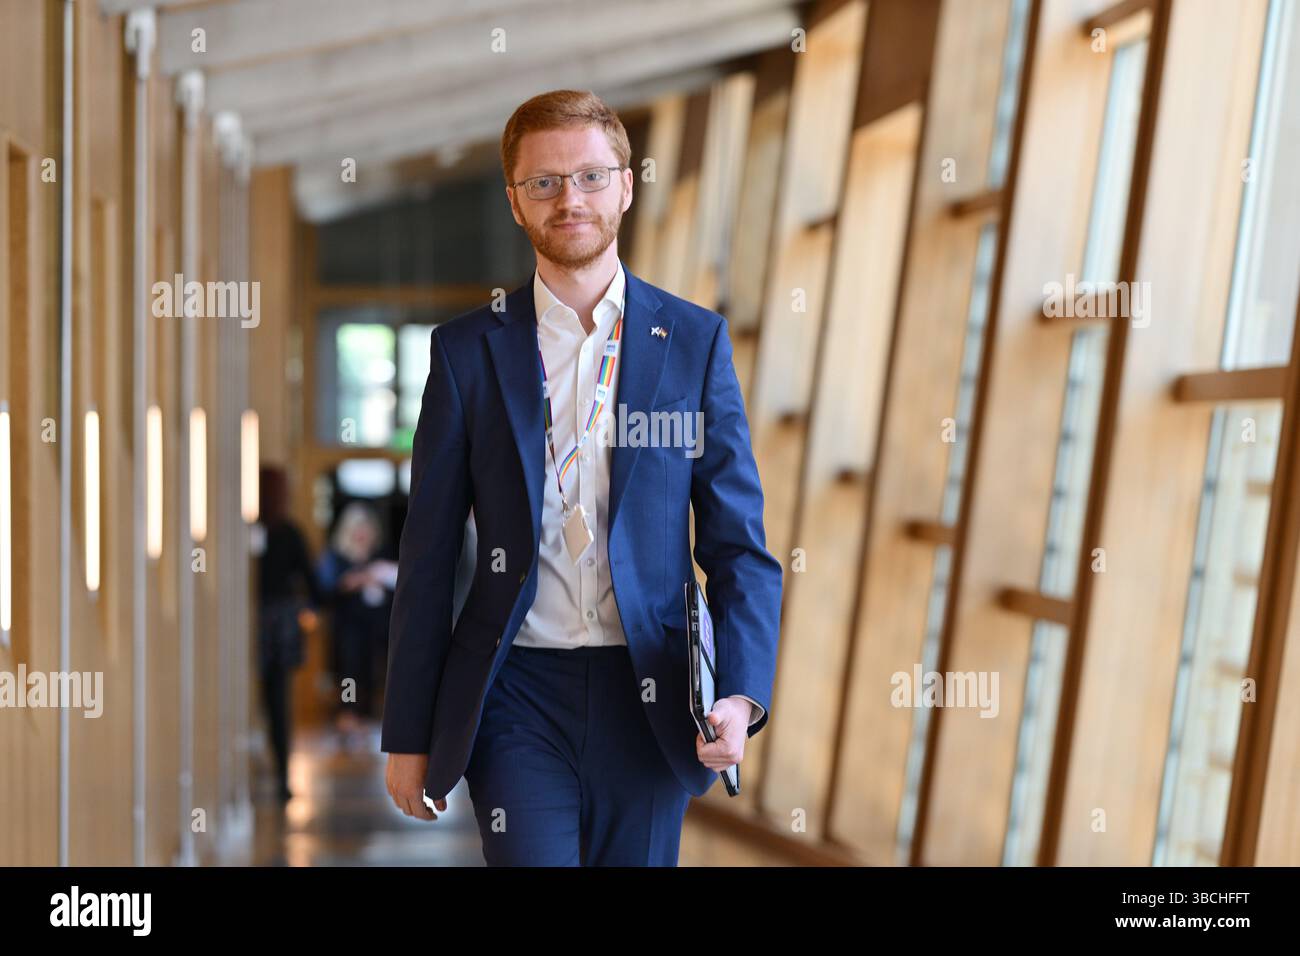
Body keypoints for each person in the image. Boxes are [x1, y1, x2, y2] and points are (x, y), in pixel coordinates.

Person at [381, 89, 783, 866]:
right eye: (545, 182)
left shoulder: (693, 343)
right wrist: (406, 732)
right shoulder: (468, 354)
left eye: (592, 177)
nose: (571, 198)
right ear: (515, 201)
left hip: (653, 693)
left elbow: (739, 545)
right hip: (516, 695)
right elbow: (427, 556)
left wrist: (739, 695)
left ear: (627, 186)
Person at [253, 466, 323, 803]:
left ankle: (275, 770)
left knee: (273, 701)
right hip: (278, 625)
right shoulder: (289, 533)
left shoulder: (255, 531)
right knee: (278, 702)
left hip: (260, 623)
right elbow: (312, 584)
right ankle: (280, 774)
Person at [316, 500, 396, 744]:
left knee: (372, 670)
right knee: (349, 671)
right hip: (348, 627)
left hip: (375, 626)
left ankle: (364, 713)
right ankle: (348, 712)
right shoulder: (338, 557)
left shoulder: (380, 555)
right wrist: (353, 581)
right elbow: (326, 589)